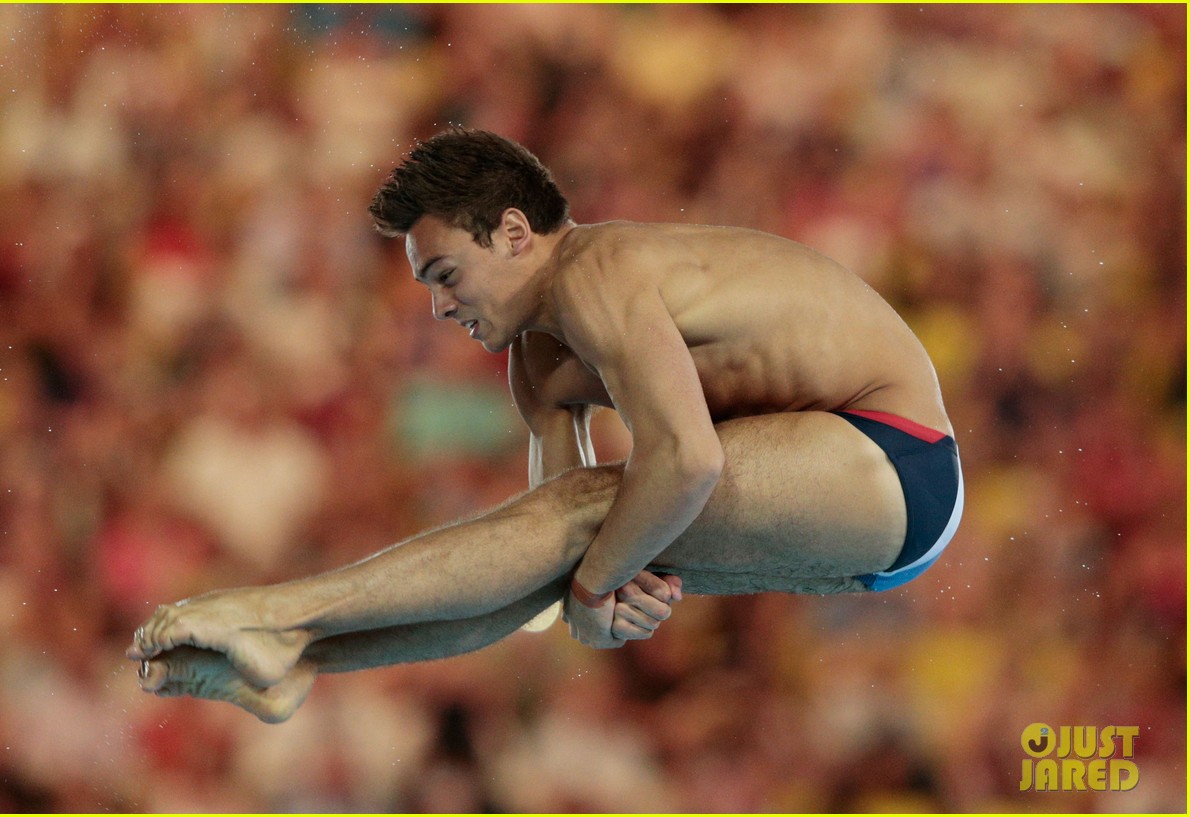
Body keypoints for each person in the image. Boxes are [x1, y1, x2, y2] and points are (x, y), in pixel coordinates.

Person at [128, 128, 963, 723]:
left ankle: (277, 614)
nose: (438, 306)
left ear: (515, 233)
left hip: (899, 456)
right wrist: (595, 587)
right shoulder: (534, 358)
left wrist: (601, 585)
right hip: (849, 505)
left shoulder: (598, 271)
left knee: (593, 515)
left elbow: (685, 460)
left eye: (446, 273)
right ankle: (302, 658)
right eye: (426, 285)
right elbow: (547, 565)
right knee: (573, 538)